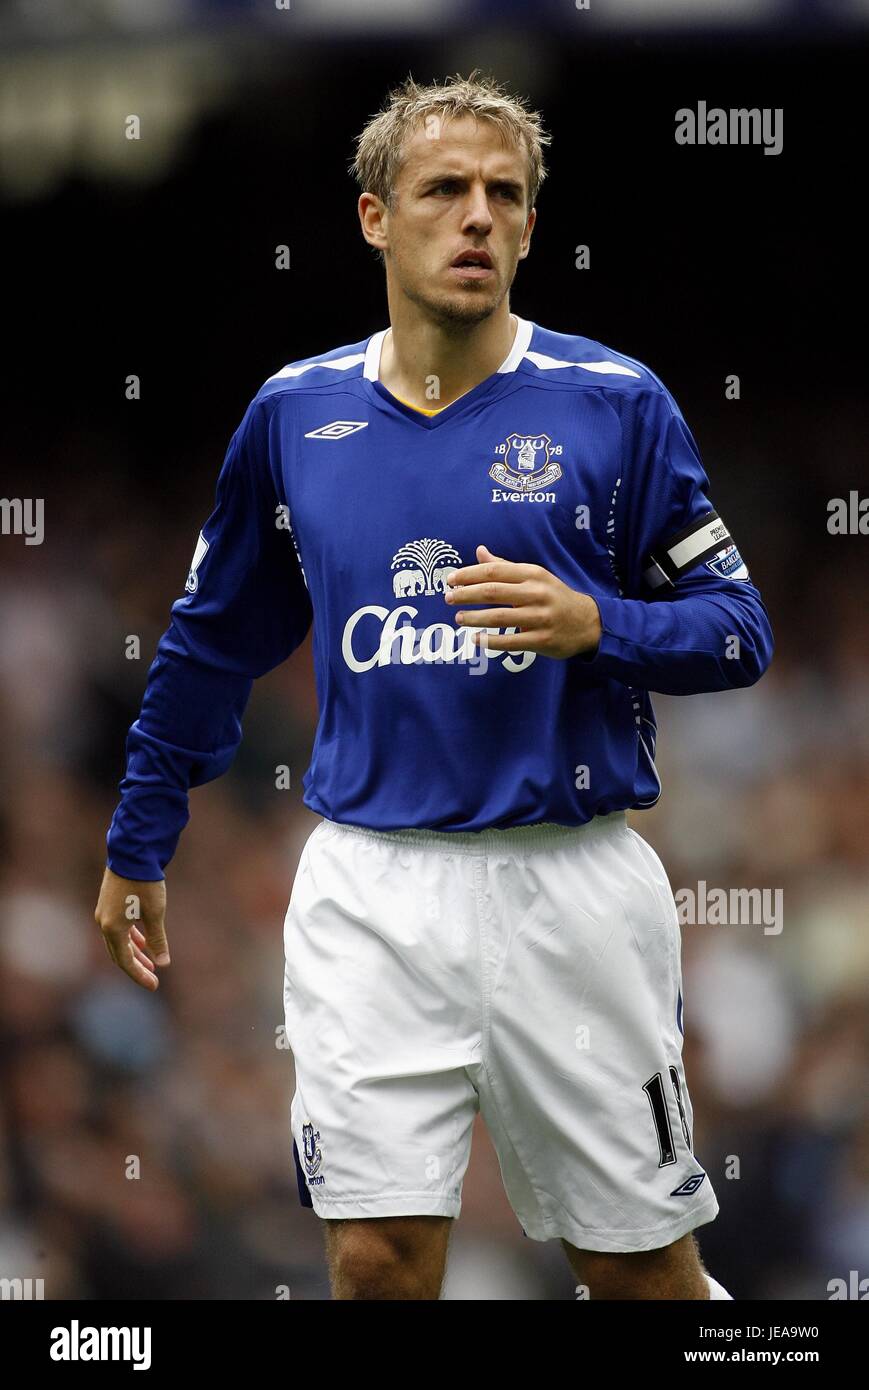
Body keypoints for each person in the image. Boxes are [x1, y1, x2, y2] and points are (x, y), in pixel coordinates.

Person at [95, 71, 773, 1300]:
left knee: (637, 1274)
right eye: (443, 189)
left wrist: (597, 622)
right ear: (372, 218)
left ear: (527, 228)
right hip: (369, 887)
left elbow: (737, 631)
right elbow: (209, 640)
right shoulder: (294, 415)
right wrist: (141, 837)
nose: (475, 216)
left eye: (502, 196)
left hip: (568, 884)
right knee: (375, 1259)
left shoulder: (616, 403)